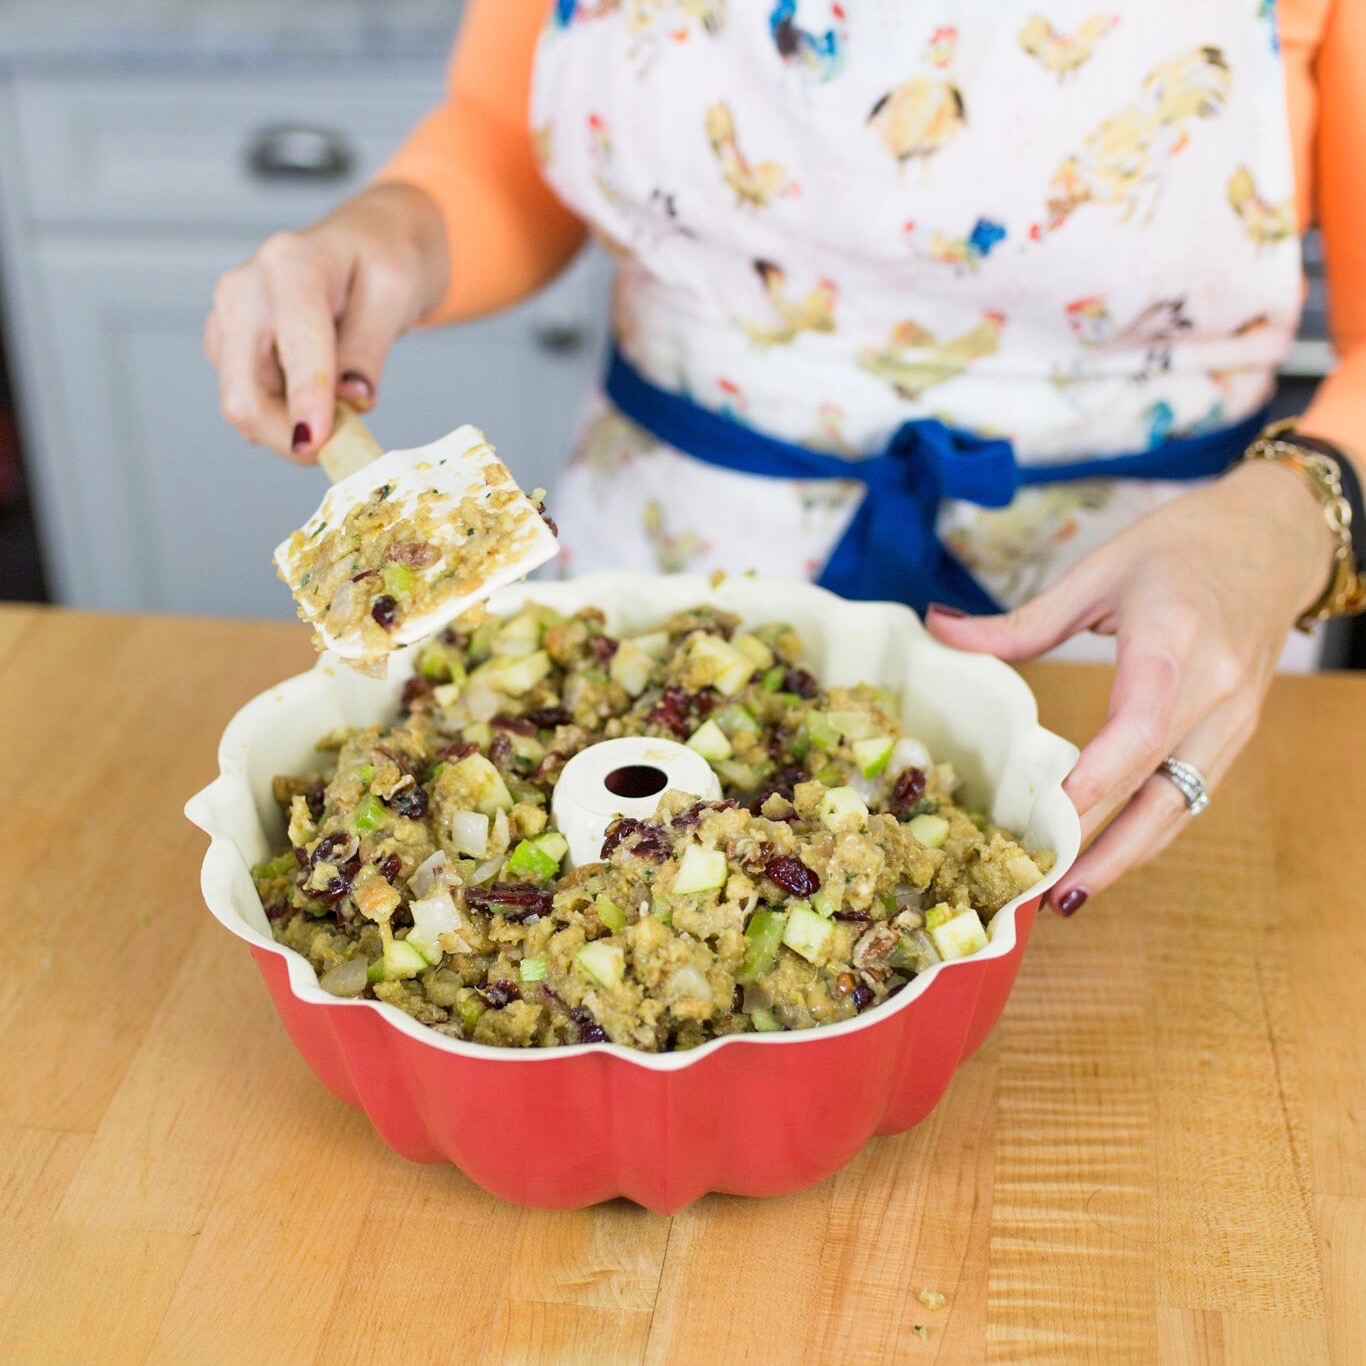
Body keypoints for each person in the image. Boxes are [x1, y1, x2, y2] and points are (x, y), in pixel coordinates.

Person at [205, 0, 1365, 916]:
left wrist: (1289, 522)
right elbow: (510, 128)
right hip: (658, 590)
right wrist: (390, 233)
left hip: (1143, 645)